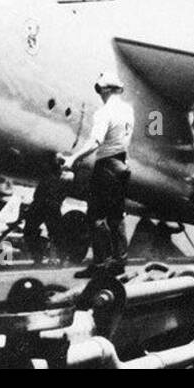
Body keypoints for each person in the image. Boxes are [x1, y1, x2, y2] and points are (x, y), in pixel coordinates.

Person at [59, 71, 134, 278]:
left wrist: (74, 158)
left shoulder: (103, 112)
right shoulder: (128, 111)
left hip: (106, 165)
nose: (99, 94)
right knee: (117, 216)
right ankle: (119, 262)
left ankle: (101, 263)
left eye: (100, 90)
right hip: (121, 164)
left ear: (105, 90)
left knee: (96, 216)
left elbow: (95, 141)